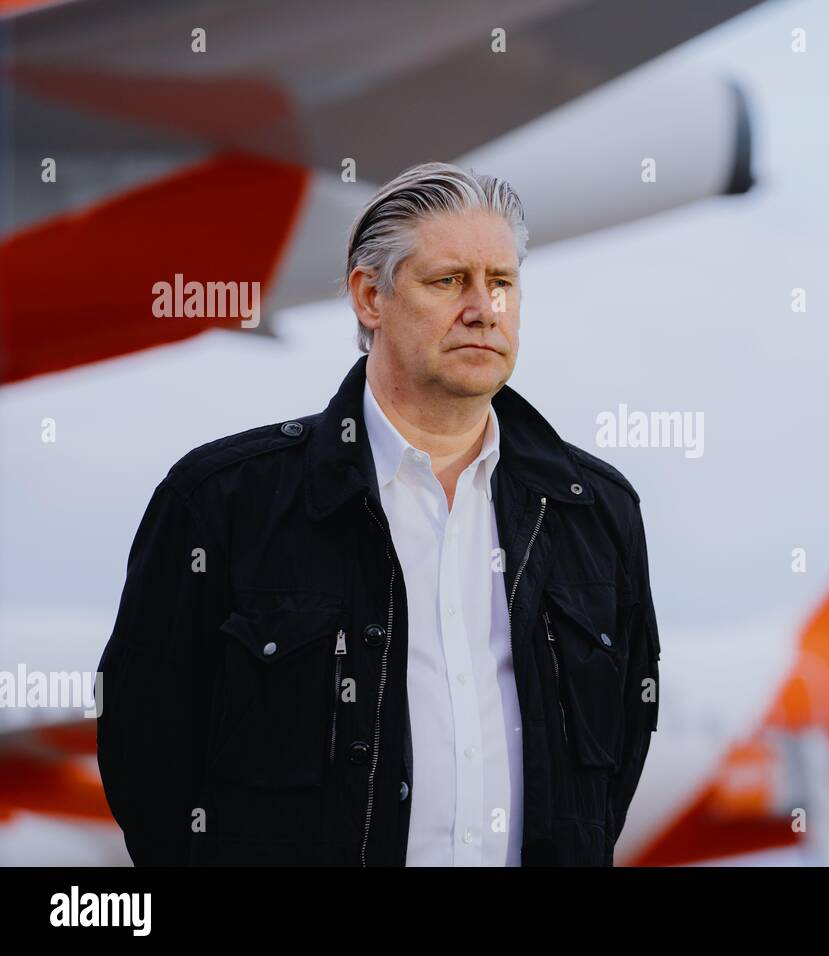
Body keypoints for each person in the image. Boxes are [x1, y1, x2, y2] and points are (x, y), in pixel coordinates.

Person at [95, 161, 660, 866]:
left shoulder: (596, 511)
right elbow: (145, 753)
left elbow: (620, 756)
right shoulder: (221, 501)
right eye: (449, 280)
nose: (484, 308)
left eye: (503, 283)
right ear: (370, 297)